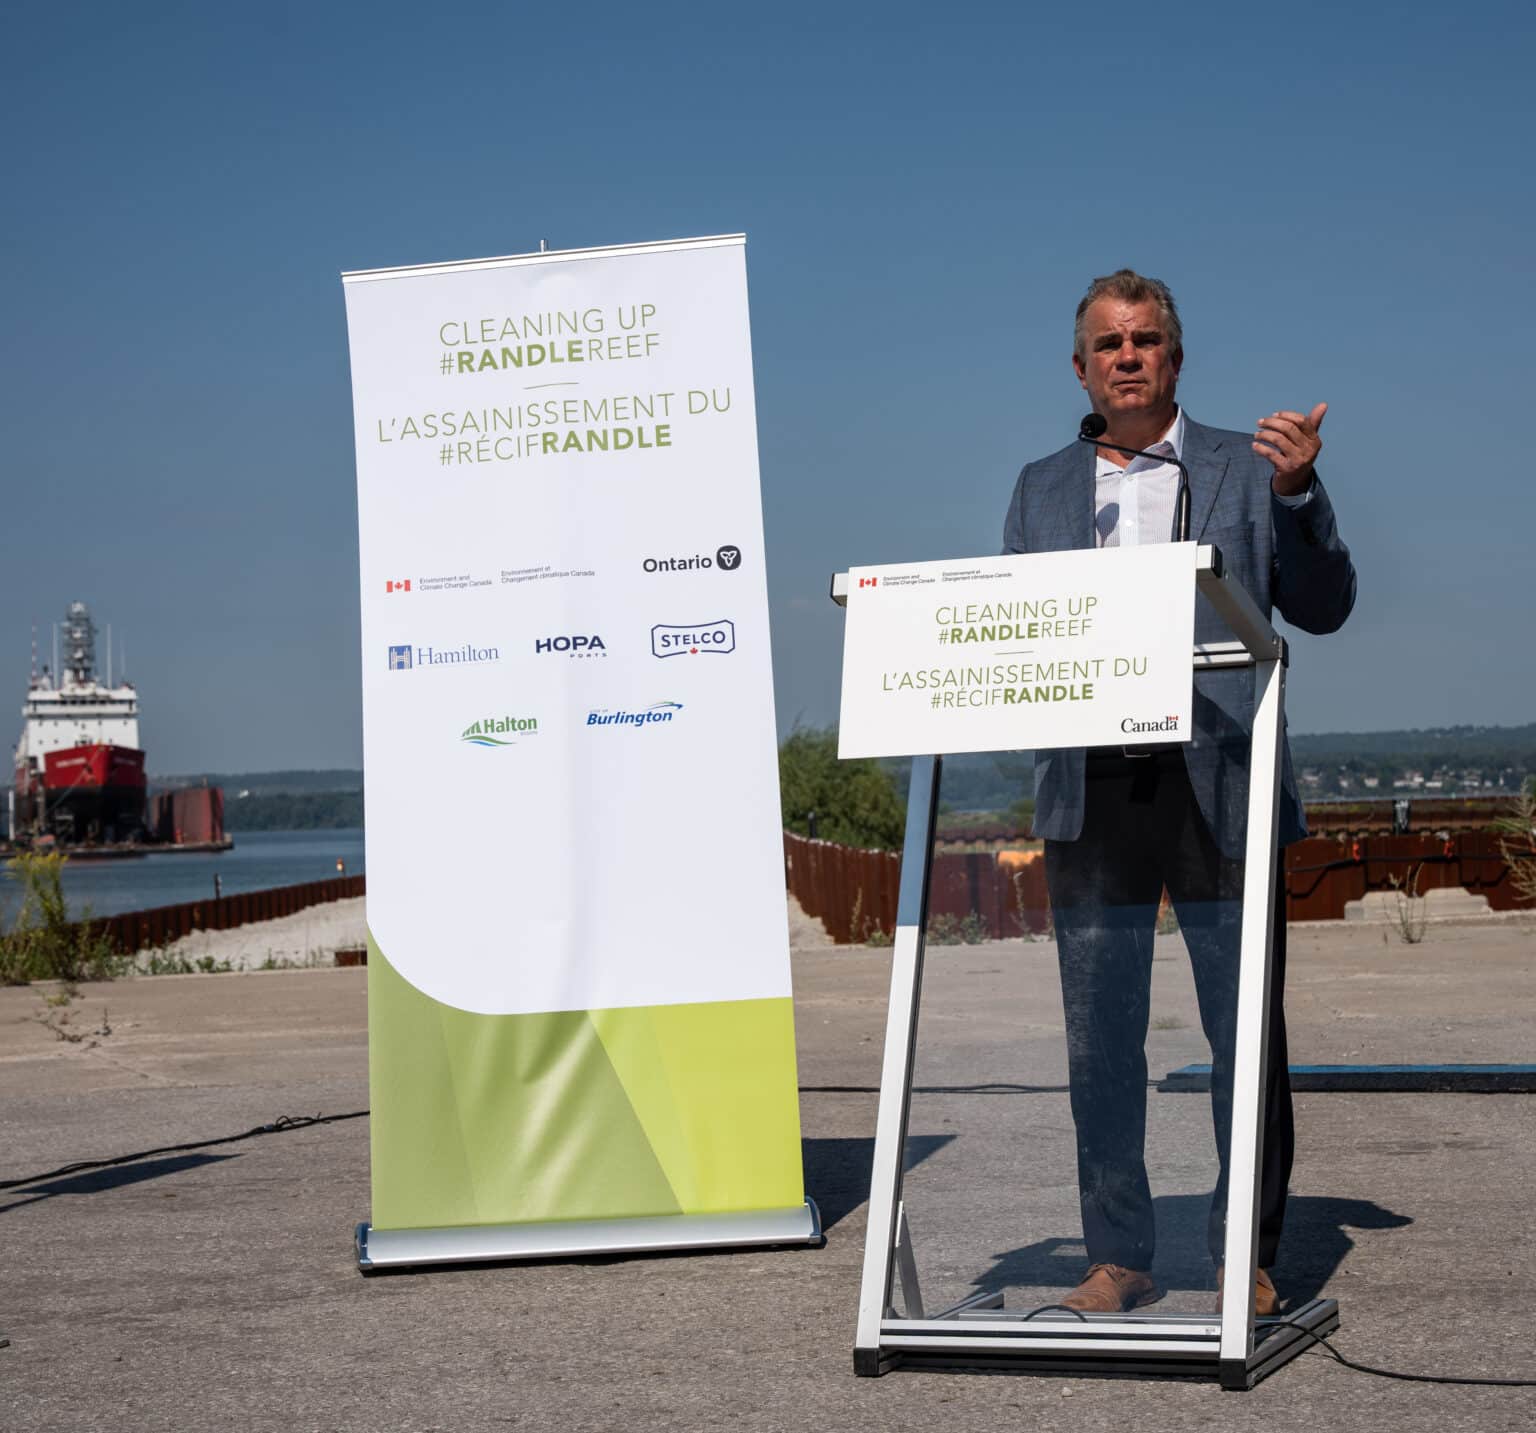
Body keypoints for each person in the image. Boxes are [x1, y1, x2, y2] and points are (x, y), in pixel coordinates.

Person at [1000, 269, 1356, 1316]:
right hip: (1094, 783)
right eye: (1107, 343)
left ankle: (1241, 1244)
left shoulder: (1244, 474)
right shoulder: (1039, 487)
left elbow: (1325, 606)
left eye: (1145, 340)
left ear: (1175, 358)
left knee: (1241, 1029)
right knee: (1099, 1035)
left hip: (1221, 772)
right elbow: (1021, 629)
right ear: (1080, 367)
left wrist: (1298, 496)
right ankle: (1119, 1252)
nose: (1126, 357)